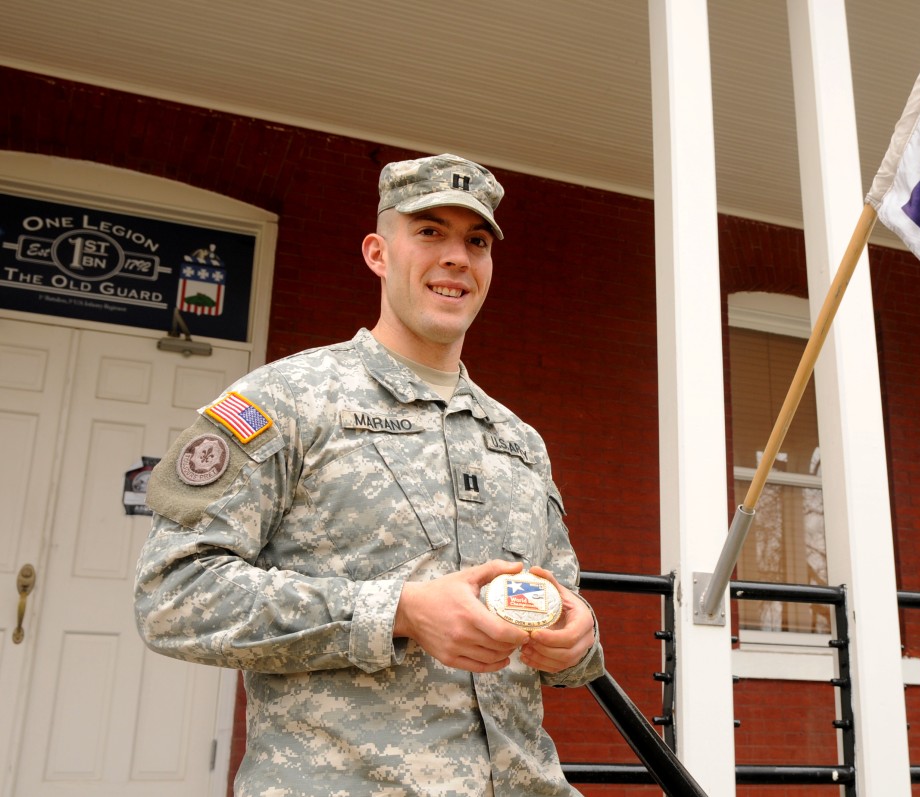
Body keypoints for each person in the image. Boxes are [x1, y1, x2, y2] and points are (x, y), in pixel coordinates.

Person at [134, 153, 604, 797]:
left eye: (477, 241)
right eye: (430, 231)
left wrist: (577, 638)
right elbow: (172, 595)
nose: (456, 257)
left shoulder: (517, 441)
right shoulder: (288, 401)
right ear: (378, 254)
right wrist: (398, 612)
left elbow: (563, 607)